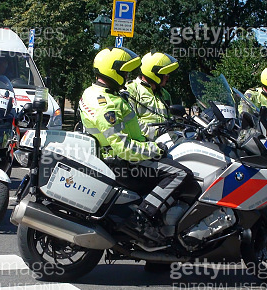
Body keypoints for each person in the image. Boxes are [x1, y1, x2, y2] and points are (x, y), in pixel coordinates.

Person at [79, 47, 193, 239]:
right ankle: (141, 218)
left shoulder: (99, 93)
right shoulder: (105, 102)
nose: (126, 75)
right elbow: (123, 148)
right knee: (181, 173)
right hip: (121, 162)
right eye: (123, 72)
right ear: (112, 71)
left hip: (122, 156)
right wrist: (155, 149)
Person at [125, 51, 179, 140]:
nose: (167, 77)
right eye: (164, 74)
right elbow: (131, 122)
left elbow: (172, 119)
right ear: (154, 74)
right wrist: (156, 132)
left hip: (165, 141)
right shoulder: (131, 90)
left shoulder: (164, 94)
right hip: (142, 145)